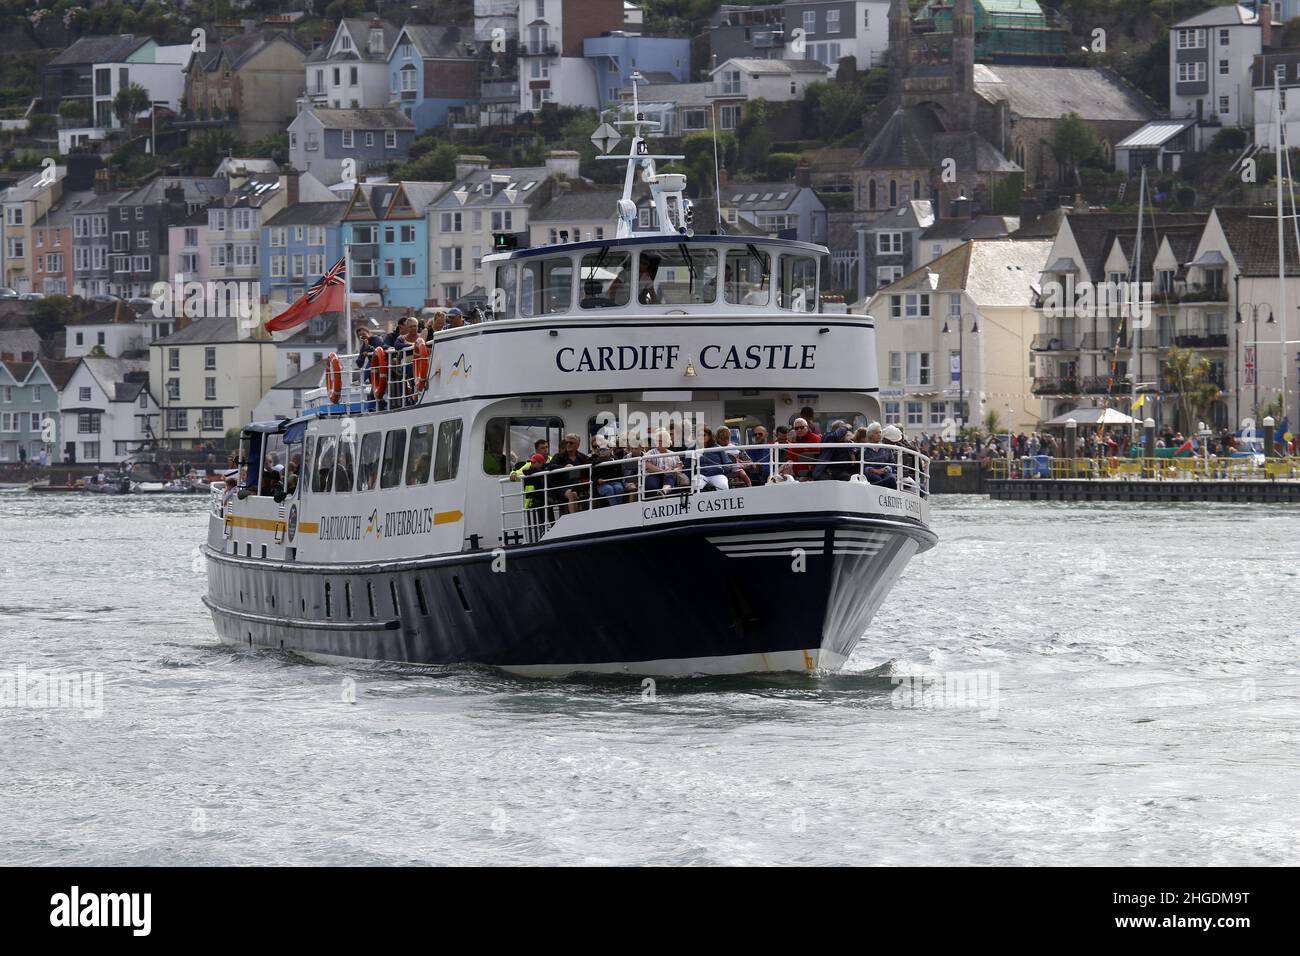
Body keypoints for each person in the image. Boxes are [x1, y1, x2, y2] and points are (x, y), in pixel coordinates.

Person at [544, 433, 591, 514]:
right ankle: (575, 519)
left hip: (579, 485)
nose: (568, 444)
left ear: (578, 445)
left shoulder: (582, 457)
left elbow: (591, 465)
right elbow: (550, 466)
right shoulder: (559, 456)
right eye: (566, 442)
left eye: (571, 443)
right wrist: (564, 468)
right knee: (572, 494)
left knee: (593, 491)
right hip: (562, 487)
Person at [643, 430, 685, 495]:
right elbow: (648, 466)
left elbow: (679, 468)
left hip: (670, 476)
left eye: (661, 441)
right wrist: (663, 471)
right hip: (654, 475)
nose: (659, 442)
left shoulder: (674, 454)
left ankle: (664, 490)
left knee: (671, 475)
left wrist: (673, 471)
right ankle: (662, 493)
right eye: (657, 441)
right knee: (653, 483)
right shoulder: (650, 453)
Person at [591, 438, 627, 505]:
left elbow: (619, 473)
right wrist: (598, 480)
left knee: (619, 488)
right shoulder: (595, 460)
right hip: (601, 485)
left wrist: (605, 460)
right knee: (608, 489)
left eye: (604, 449)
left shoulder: (615, 459)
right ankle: (616, 510)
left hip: (615, 482)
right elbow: (592, 476)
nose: (602, 451)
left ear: (610, 450)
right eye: (600, 449)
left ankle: (616, 508)